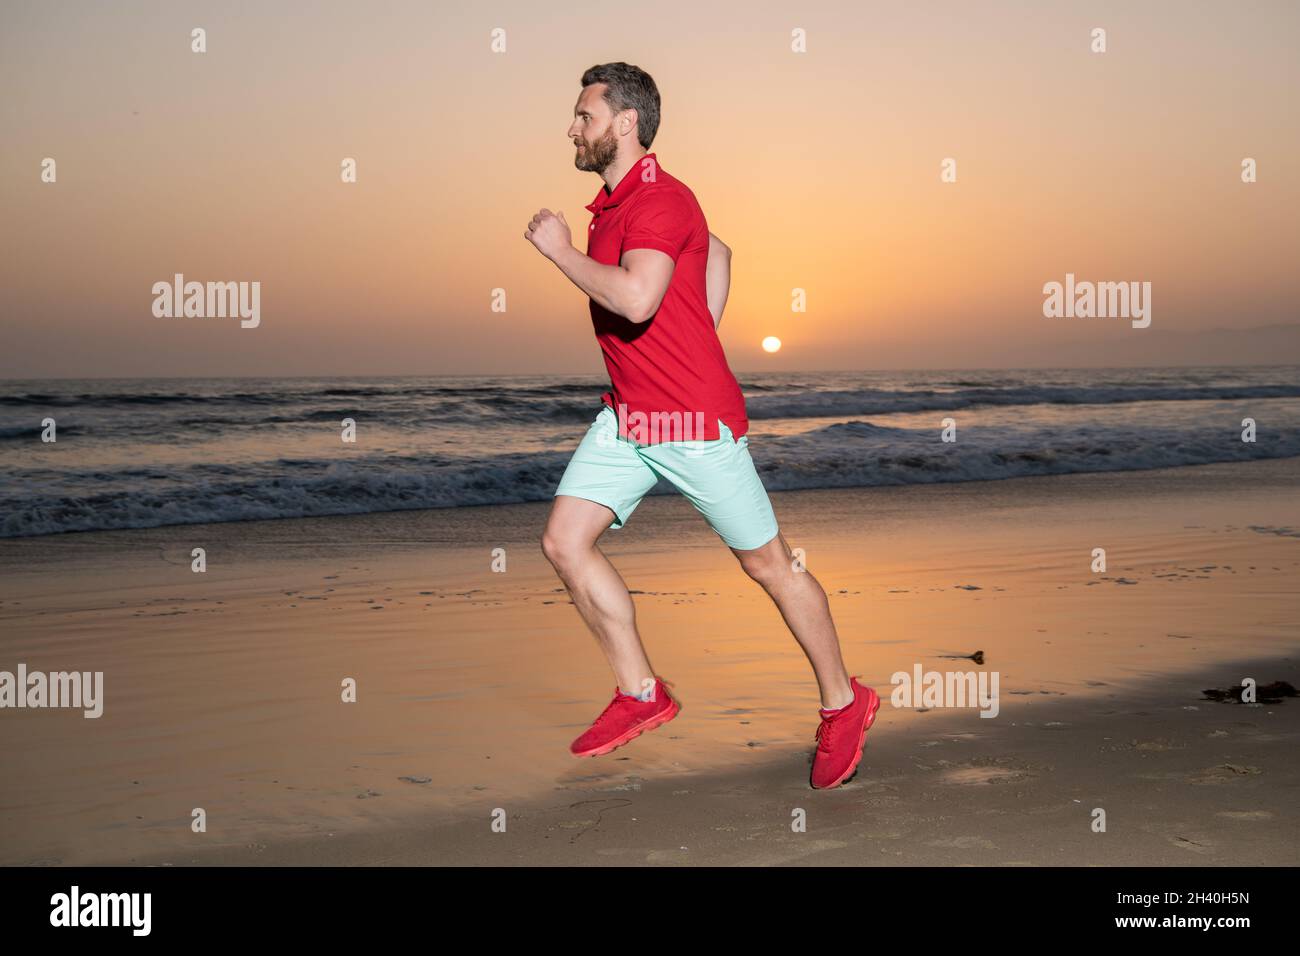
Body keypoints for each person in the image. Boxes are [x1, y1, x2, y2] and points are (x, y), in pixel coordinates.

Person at [523, 62, 879, 789]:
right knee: (564, 542)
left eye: (584, 116)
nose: (572, 127)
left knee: (768, 565)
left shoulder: (659, 198)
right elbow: (717, 252)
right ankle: (640, 693)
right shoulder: (622, 203)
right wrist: (697, 333)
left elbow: (634, 299)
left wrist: (559, 252)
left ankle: (845, 703)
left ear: (626, 124)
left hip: (690, 422)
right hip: (628, 418)